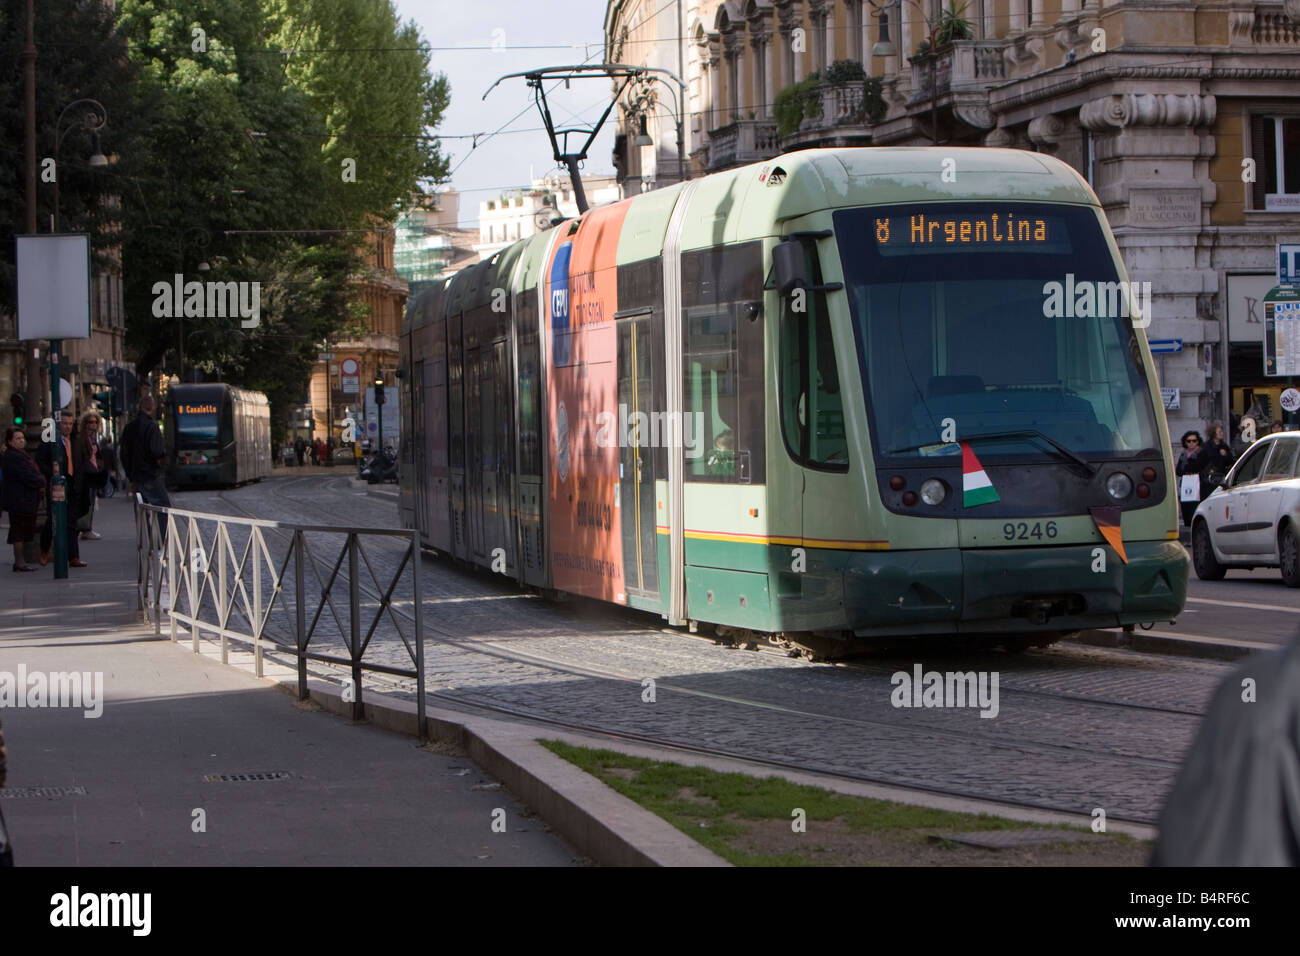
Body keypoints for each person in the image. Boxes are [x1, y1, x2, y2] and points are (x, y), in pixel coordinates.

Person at [35, 410, 83, 567]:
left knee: (71, 521)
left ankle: (74, 556)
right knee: (53, 519)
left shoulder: (76, 440)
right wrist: (51, 472)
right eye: (64, 423)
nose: (68, 427)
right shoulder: (49, 439)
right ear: (58, 424)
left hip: (73, 484)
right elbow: (40, 460)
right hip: (56, 484)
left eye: (70, 424)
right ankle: (44, 549)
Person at [121, 393, 171, 536]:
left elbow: (124, 454)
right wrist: (162, 459)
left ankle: (145, 541)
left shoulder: (129, 427)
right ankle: (162, 542)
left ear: (139, 407)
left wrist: (130, 475)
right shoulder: (151, 426)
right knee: (163, 505)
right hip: (149, 474)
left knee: (141, 508)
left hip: (135, 475)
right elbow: (156, 451)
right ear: (153, 407)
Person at [1, 427, 45, 572]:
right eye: (17, 439)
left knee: (19, 531)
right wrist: (40, 481)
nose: (22, 441)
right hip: (18, 499)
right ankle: (20, 562)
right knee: (18, 532)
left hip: (23, 498)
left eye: (22, 438)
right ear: (10, 442)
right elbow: (26, 475)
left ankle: (21, 562)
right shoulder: (13, 457)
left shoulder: (20, 455)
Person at [72, 411, 109, 542]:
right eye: (90, 422)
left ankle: (86, 528)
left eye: (95, 422)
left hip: (93, 472)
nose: (93, 425)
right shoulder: (82, 438)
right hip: (86, 474)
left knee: (91, 502)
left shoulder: (93, 438)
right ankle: (84, 529)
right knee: (87, 502)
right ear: (85, 424)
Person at [1174, 429, 1207, 529]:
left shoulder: (1202, 453)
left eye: (1194, 441)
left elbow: (1198, 466)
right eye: (1189, 441)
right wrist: (1187, 469)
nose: (1191, 443)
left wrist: (1187, 468)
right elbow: (1178, 470)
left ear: (1198, 441)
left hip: (1198, 482)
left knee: (1195, 504)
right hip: (1185, 482)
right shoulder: (1183, 454)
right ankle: (1187, 522)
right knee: (1185, 504)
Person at [1202, 420, 1235, 489]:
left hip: (1221, 476)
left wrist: (1225, 455)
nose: (1222, 433)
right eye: (1219, 432)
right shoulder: (1206, 446)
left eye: (1222, 432)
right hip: (1209, 477)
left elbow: (1231, 461)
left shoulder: (1224, 446)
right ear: (1214, 433)